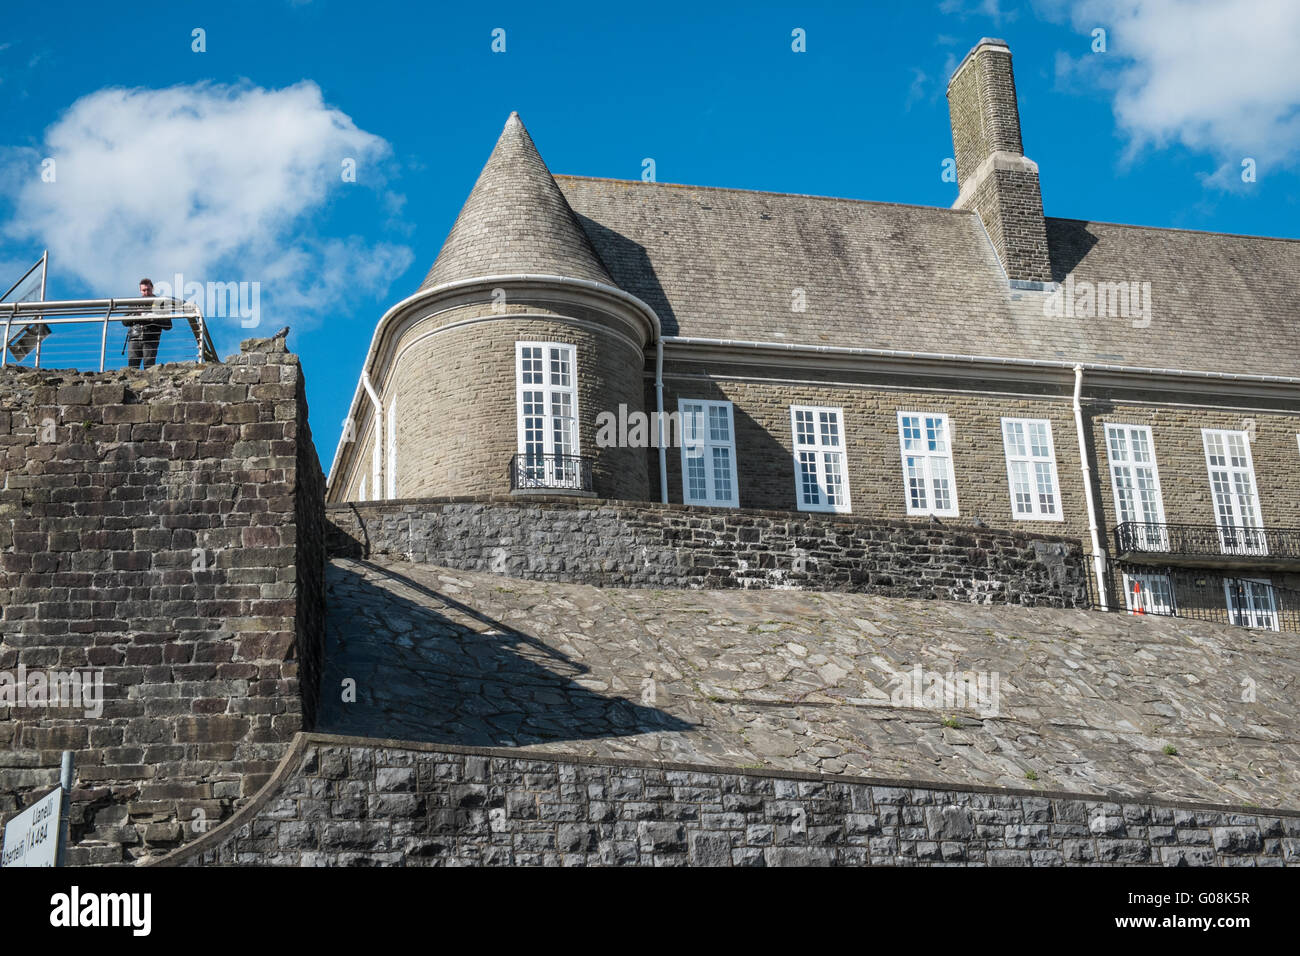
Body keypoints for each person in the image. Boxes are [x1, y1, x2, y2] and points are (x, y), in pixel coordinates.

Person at [123, 278, 171, 368]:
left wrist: (152, 317)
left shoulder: (160, 304)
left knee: (149, 366)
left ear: (152, 289)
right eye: (143, 290)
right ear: (140, 291)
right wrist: (136, 315)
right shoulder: (134, 303)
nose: (146, 292)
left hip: (151, 338)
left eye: (148, 290)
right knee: (132, 368)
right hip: (134, 338)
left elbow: (168, 325)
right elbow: (124, 321)